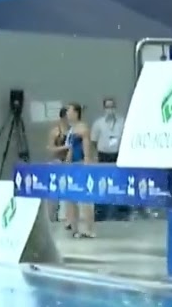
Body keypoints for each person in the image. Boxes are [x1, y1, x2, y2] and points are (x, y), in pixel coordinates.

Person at [60, 103, 95, 238]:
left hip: (80, 164)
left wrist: (86, 163)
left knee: (84, 198)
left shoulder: (82, 128)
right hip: (71, 166)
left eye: (69, 111)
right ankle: (75, 227)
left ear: (76, 113)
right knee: (71, 198)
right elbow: (69, 150)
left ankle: (88, 228)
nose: (67, 113)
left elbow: (87, 149)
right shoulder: (71, 129)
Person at [89, 97, 127, 221]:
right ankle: (102, 212)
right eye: (107, 107)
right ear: (104, 108)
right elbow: (93, 141)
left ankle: (121, 212)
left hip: (118, 155)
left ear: (115, 107)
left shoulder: (122, 122)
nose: (110, 109)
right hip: (103, 155)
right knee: (103, 183)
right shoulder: (98, 123)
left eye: (112, 106)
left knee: (120, 182)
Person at [45, 108, 69, 222]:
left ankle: (67, 218)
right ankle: (51, 218)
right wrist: (65, 147)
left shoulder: (73, 131)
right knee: (54, 194)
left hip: (69, 164)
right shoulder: (56, 131)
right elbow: (50, 149)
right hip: (57, 163)